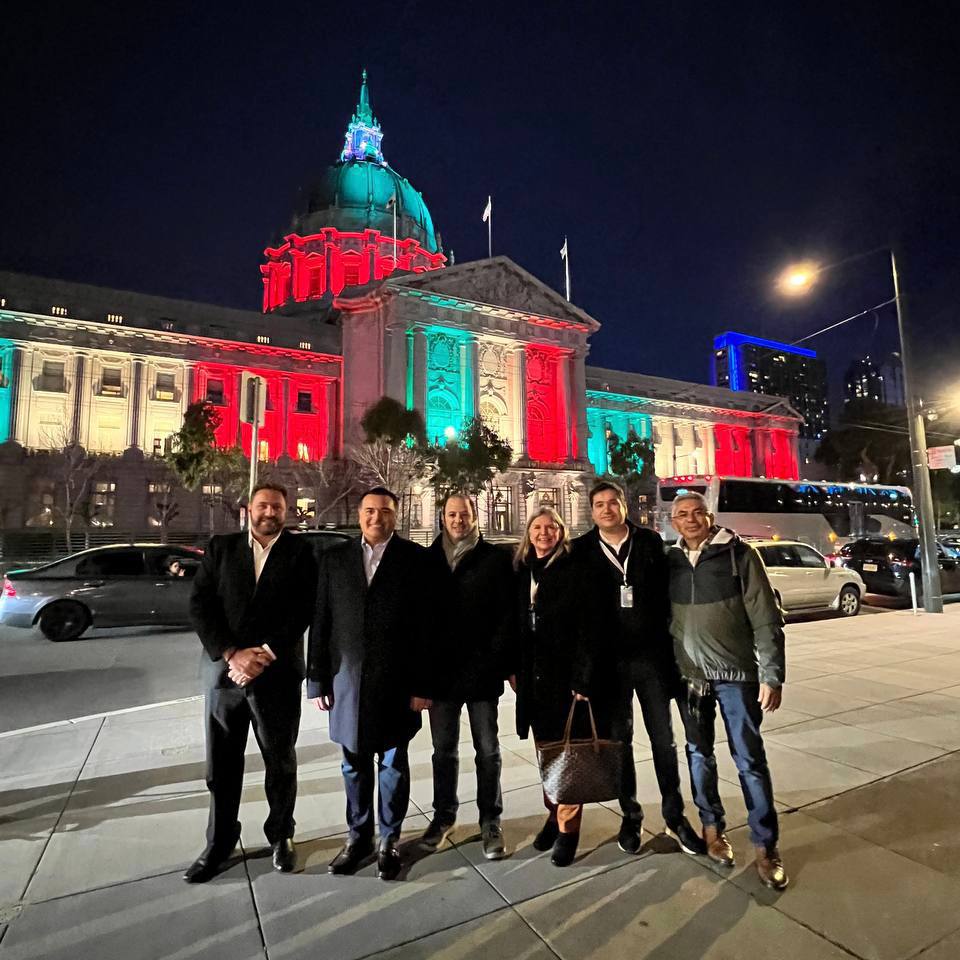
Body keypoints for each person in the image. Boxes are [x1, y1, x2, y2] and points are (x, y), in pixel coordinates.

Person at [185, 482, 317, 883]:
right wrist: (231, 654)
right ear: (248, 509)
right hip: (224, 677)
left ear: (286, 511)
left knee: (280, 761)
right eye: (263, 505)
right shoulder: (221, 548)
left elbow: (303, 610)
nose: (270, 513)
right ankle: (220, 841)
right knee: (222, 766)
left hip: (275, 676)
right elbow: (200, 604)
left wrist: (263, 655)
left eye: (277, 507)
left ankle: (281, 836)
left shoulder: (300, 552)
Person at [571, 481, 705, 857]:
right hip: (610, 666)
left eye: (612, 503)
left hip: (651, 659)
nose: (606, 510)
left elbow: (671, 597)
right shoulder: (581, 551)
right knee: (620, 743)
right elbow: (579, 620)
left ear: (623, 505)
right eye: (599, 505)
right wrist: (582, 675)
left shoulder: (649, 544)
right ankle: (630, 815)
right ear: (592, 510)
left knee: (664, 740)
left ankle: (675, 815)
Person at [308, 487, 434, 881]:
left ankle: (389, 840)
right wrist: (316, 680)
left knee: (394, 764)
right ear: (359, 513)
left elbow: (426, 629)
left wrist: (423, 685)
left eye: (384, 511)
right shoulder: (335, 559)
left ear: (395, 516)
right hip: (347, 683)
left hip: (398, 683)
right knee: (353, 764)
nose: (376, 517)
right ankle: (357, 836)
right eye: (369, 510)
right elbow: (322, 621)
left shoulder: (414, 560)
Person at [667, 490, 789, 890]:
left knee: (750, 760)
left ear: (709, 515)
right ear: (673, 521)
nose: (690, 519)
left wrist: (772, 675)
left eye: (697, 512)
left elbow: (766, 619)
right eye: (682, 514)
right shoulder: (671, 562)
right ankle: (711, 829)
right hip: (690, 678)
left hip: (736, 676)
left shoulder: (740, 556)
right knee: (699, 755)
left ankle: (765, 845)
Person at [511, 507, 608, 868]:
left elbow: (589, 629)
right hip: (533, 681)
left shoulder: (574, 570)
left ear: (561, 532)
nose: (544, 533)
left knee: (569, 754)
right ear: (529, 533)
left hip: (565, 680)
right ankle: (553, 814)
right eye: (537, 527)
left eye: (551, 527)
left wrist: (584, 678)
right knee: (546, 753)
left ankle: (569, 829)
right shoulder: (522, 571)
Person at [419, 492, 514, 860]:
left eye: (465, 513)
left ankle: (491, 819)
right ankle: (444, 815)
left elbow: (506, 618)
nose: (458, 520)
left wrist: (500, 663)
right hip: (441, 676)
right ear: (443, 517)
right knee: (443, 751)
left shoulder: (494, 559)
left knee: (488, 751)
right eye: (452, 514)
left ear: (476, 516)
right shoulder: (427, 560)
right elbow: (419, 624)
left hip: (481, 673)